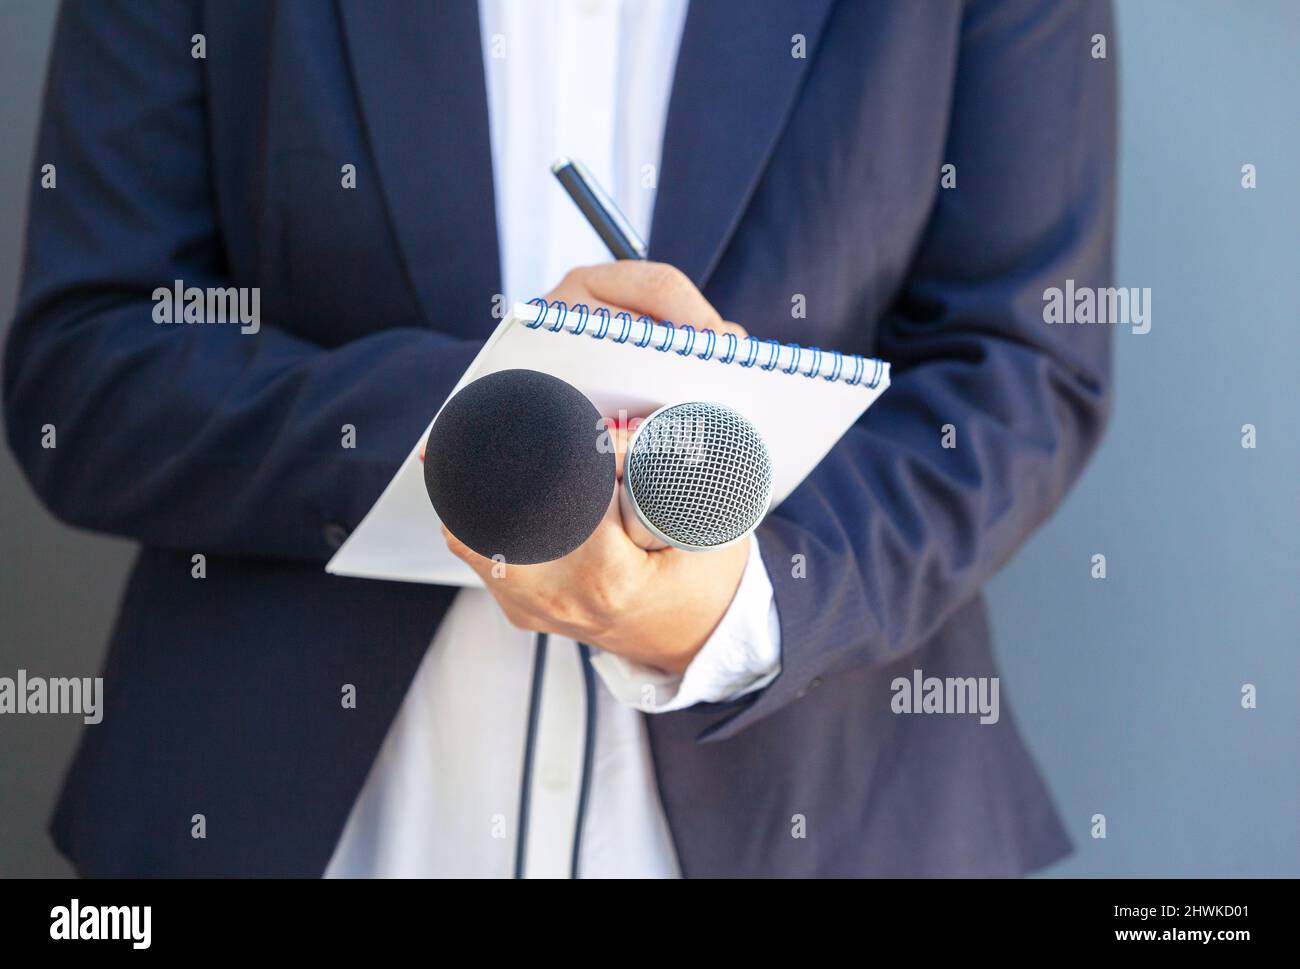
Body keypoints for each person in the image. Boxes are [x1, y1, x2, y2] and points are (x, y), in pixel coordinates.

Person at [4, 0, 1115, 876]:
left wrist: (743, 606)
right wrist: (507, 429)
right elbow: (87, 369)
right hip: (280, 818)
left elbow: (1019, 372)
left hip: (831, 821)